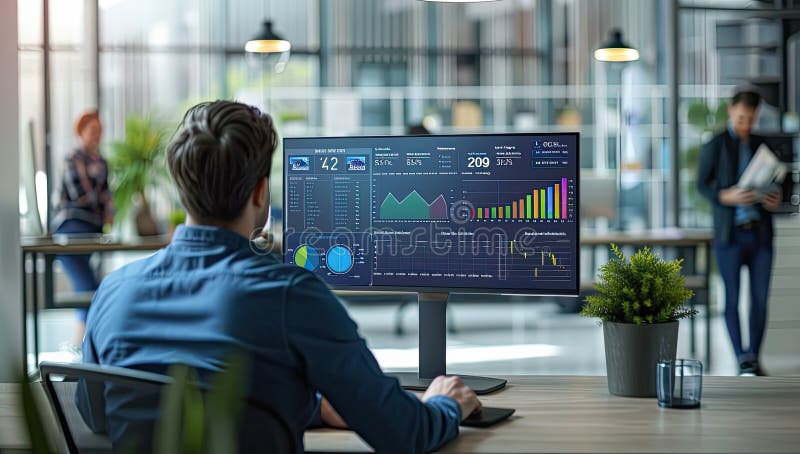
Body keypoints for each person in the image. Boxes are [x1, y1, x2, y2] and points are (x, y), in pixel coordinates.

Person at [77, 100, 481, 452]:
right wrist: (446, 403)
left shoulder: (114, 292)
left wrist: (304, 405)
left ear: (181, 189)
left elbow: (96, 415)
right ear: (260, 192)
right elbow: (405, 433)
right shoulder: (292, 295)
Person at [696, 89, 782, 376]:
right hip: (729, 236)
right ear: (730, 111)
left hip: (760, 234)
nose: (745, 124)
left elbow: (782, 181)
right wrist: (724, 196)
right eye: (741, 118)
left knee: (760, 298)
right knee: (731, 298)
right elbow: (701, 185)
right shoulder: (715, 145)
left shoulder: (762, 144)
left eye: (751, 119)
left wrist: (777, 197)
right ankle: (740, 357)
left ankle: (753, 357)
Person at [52, 110, 114, 348]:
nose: (97, 135)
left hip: (92, 233)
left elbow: (107, 198)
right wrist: (104, 206)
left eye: (100, 131)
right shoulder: (72, 158)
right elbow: (83, 195)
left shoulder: (102, 162)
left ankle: (81, 346)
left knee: (88, 289)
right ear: (81, 132)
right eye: (93, 130)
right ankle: (81, 347)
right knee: (88, 289)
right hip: (71, 231)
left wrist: (106, 208)